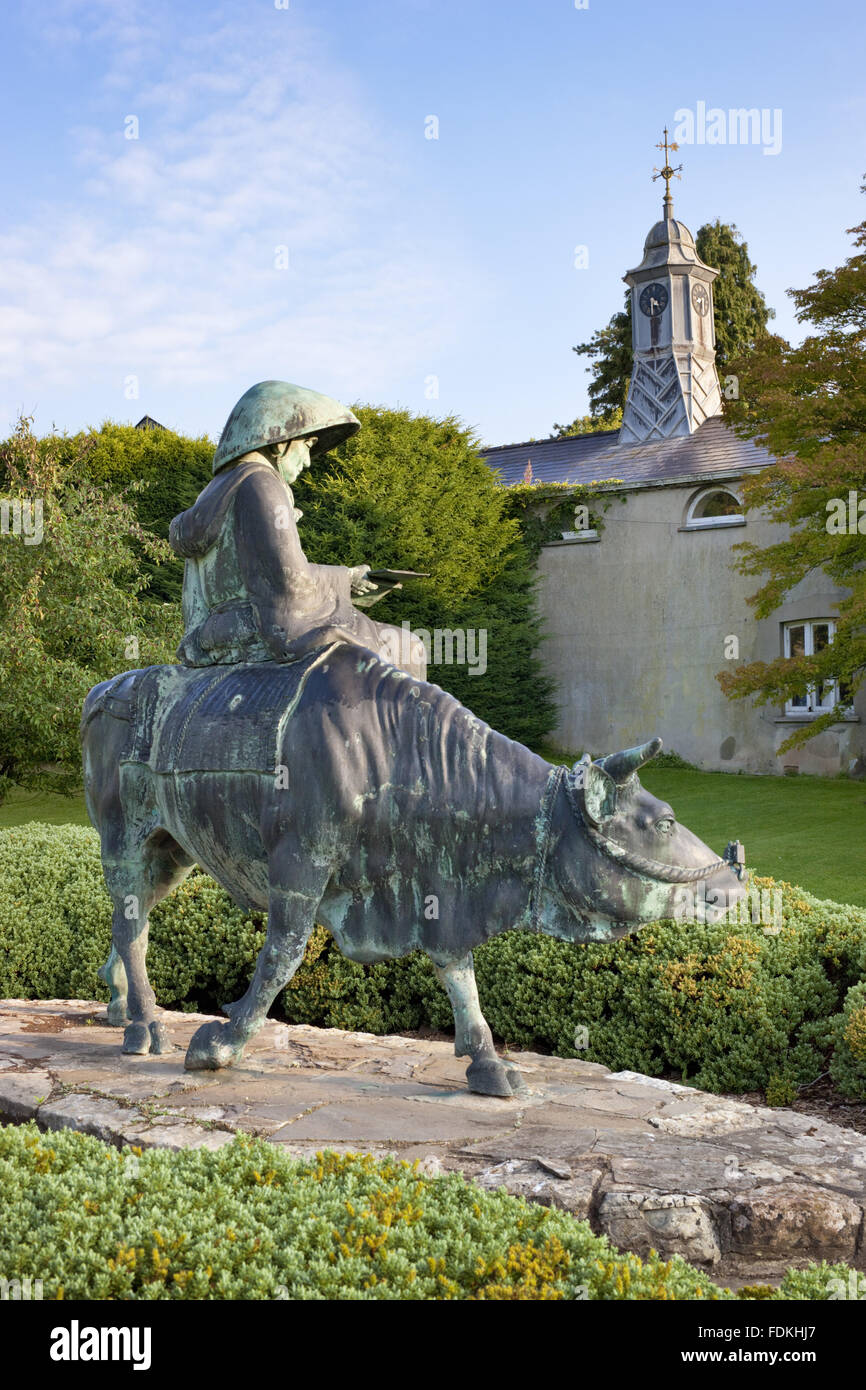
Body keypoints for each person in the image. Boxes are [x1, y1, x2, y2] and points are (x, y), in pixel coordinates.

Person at [168, 380, 426, 677]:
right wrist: (347, 579)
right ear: (280, 441)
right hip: (258, 628)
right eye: (307, 445)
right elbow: (286, 582)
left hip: (216, 632)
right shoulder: (261, 482)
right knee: (409, 646)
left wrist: (348, 581)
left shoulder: (217, 488)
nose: (307, 461)